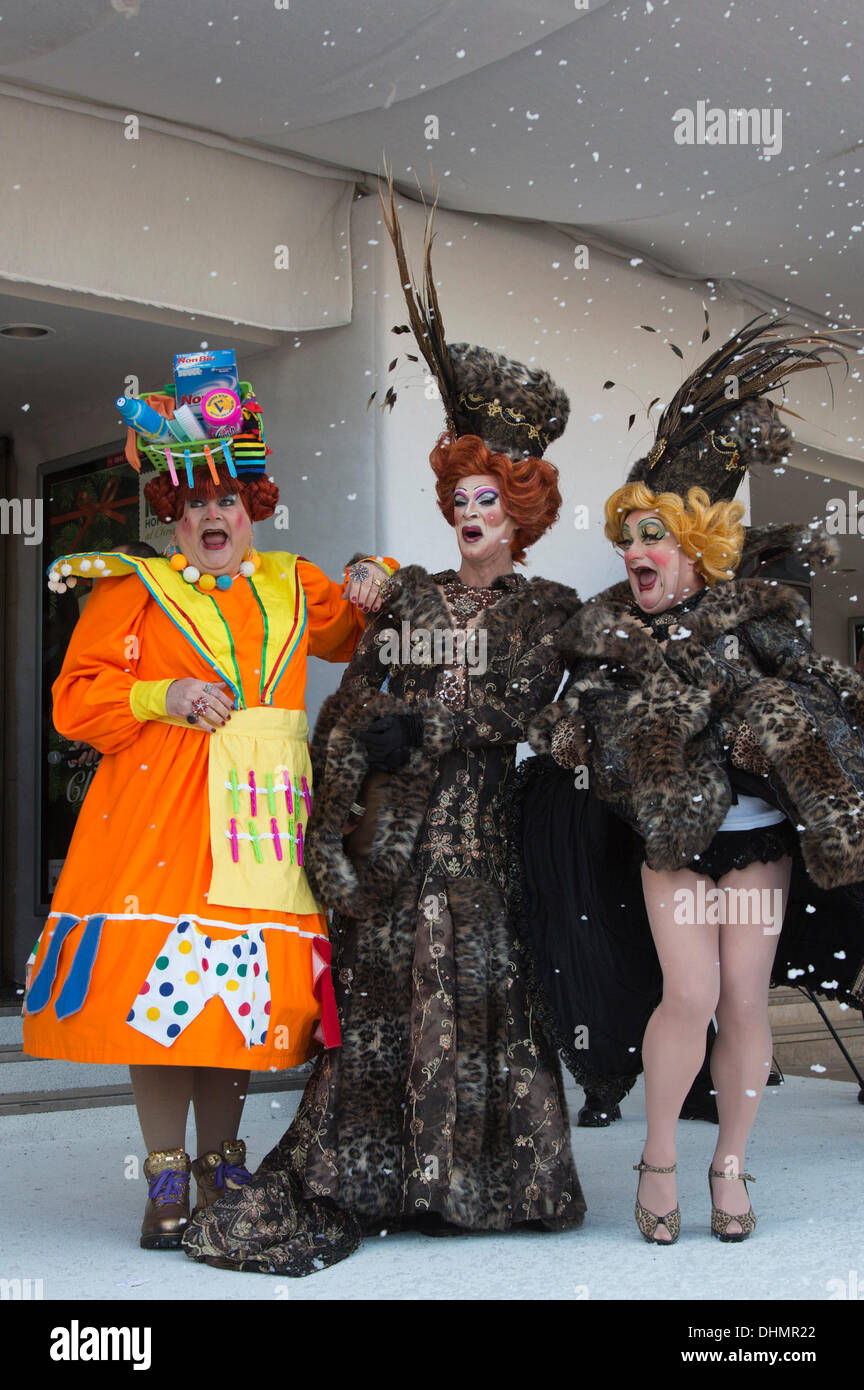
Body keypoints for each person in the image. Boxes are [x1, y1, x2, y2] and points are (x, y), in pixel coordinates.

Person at [181, 183, 585, 1277]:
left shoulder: (547, 610)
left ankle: (475, 1183)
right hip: (393, 847)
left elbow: (518, 708)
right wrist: (340, 817)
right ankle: (384, 1174)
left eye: (488, 499)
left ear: (522, 507)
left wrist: (435, 724)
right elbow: (350, 719)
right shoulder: (401, 596)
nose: (468, 512)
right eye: (458, 494)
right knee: (381, 1003)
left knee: (478, 997)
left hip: (478, 845)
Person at [23, 364, 396, 1249]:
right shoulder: (129, 592)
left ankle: (224, 1163)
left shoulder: (293, 583)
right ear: (171, 519)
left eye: (226, 495)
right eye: (192, 504)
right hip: (155, 819)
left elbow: (355, 626)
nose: (211, 516)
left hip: (262, 820)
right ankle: (163, 1178)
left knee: (232, 1000)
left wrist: (377, 574)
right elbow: (75, 701)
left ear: (252, 505)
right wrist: (165, 695)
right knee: (162, 1006)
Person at [519, 317, 864, 1244]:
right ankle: (661, 1154)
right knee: (691, 997)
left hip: (754, 845)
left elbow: (828, 703)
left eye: (656, 538)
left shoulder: (758, 621)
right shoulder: (604, 631)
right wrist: (609, 741)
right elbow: (569, 727)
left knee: (747, 1001)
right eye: (630, 537)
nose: (638, 552)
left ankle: (731, 1164)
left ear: (697, 549)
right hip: (674, 848)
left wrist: (773, 736)